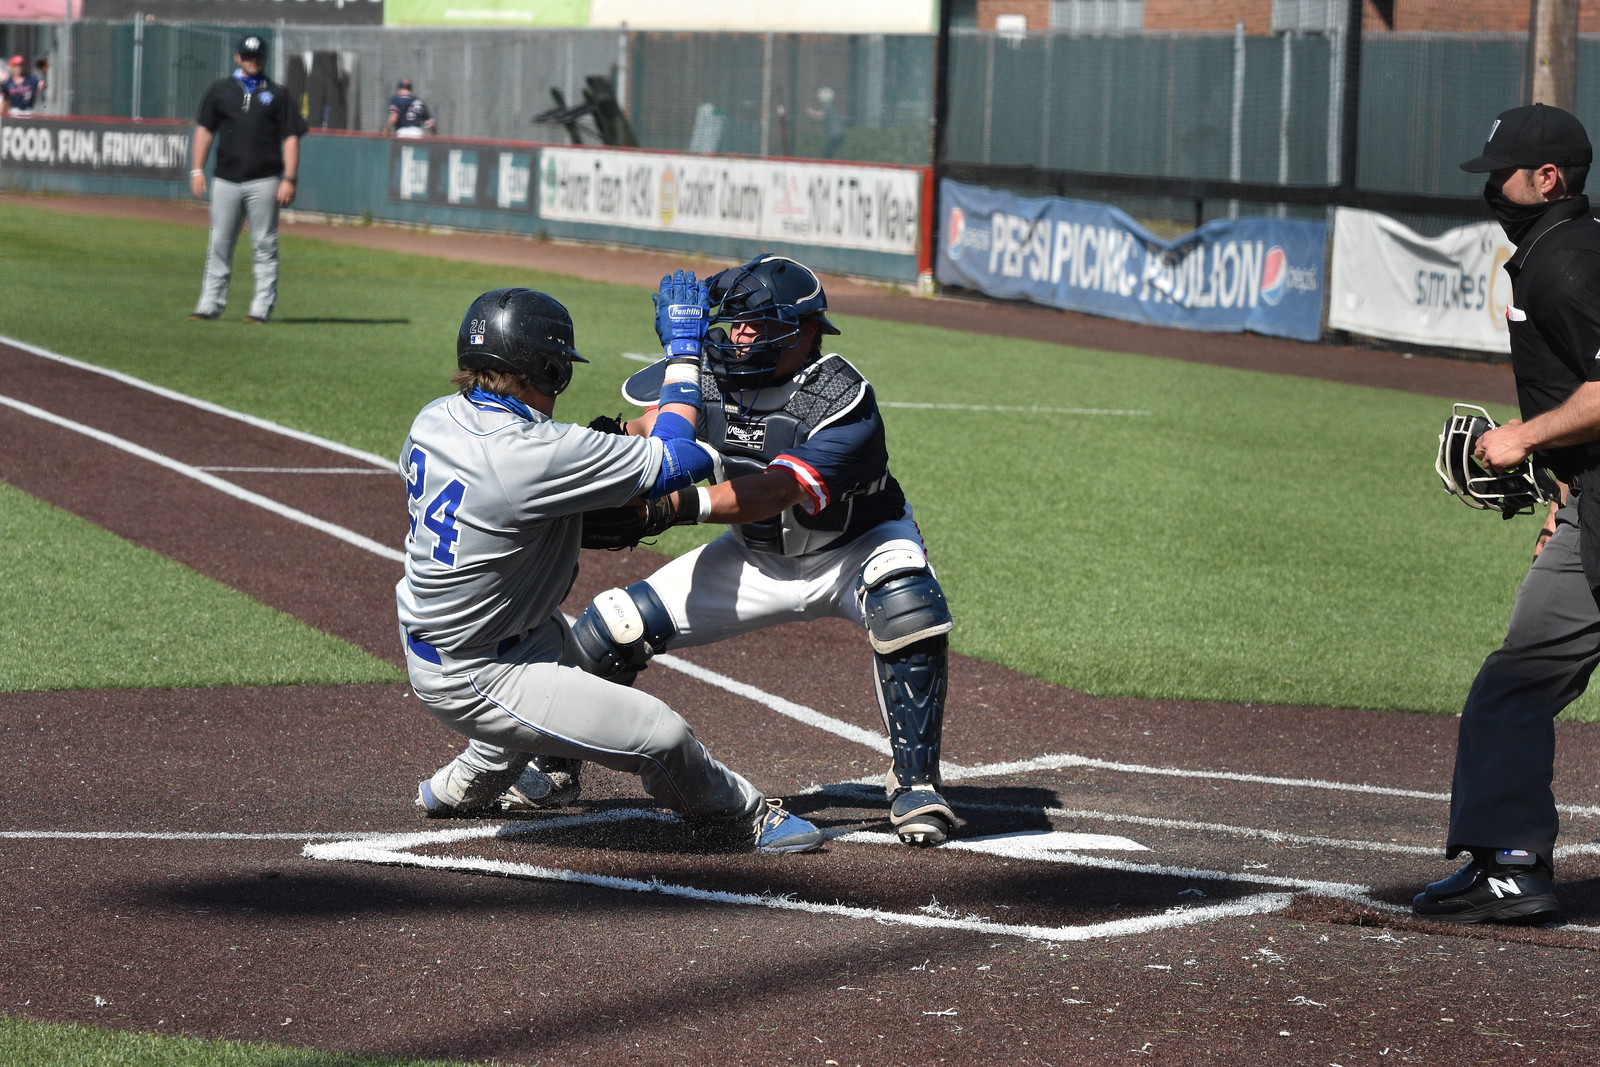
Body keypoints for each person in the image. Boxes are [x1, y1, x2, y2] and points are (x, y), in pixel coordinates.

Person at [423, 254, 957, 847]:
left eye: (759, 321)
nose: (741, 333)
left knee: (908, 605)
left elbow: (779, 489)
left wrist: (671, 506)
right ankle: (555, 764)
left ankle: (917, 784)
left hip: (853, 548)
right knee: (612, 625)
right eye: (735, 321)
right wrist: (600, 450)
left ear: (805, 329)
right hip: (755, 556)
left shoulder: (840, 395)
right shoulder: (712, 373)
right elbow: (651, 426)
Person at [400, 283, 825, 855]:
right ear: (548, 370)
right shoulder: (531, 454)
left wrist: (626, 437)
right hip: (481, 671)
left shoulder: (436, 419)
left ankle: (455, 789)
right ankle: (738, 816)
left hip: (473, 640)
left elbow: (553, 458)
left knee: (569, 669)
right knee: (661, 734)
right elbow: (680, 460)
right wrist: (683, 355)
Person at [1412, 103, 1600, 925]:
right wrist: (1562, 499)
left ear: (1548, 179)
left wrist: (1523, 435)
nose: (1490, 186)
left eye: (1502, 172)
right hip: (1589, 510)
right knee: (1512, 685)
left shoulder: (1572, 263)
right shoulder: (1547, 254)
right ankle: (1510, 864)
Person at [187, 35, 307, 325]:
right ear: (237, 57)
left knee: (265, 245)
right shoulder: (220, 90)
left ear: (265, 58)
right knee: (220, 243)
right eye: (248, 56)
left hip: (264, 180)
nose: (253, 61)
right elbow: (204, 130)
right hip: (226, 179)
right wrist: (196, 169)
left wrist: (289, 178)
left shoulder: (277, 94)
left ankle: (260, 308)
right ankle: (209, 305)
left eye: (258, 56)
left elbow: (291, 137)